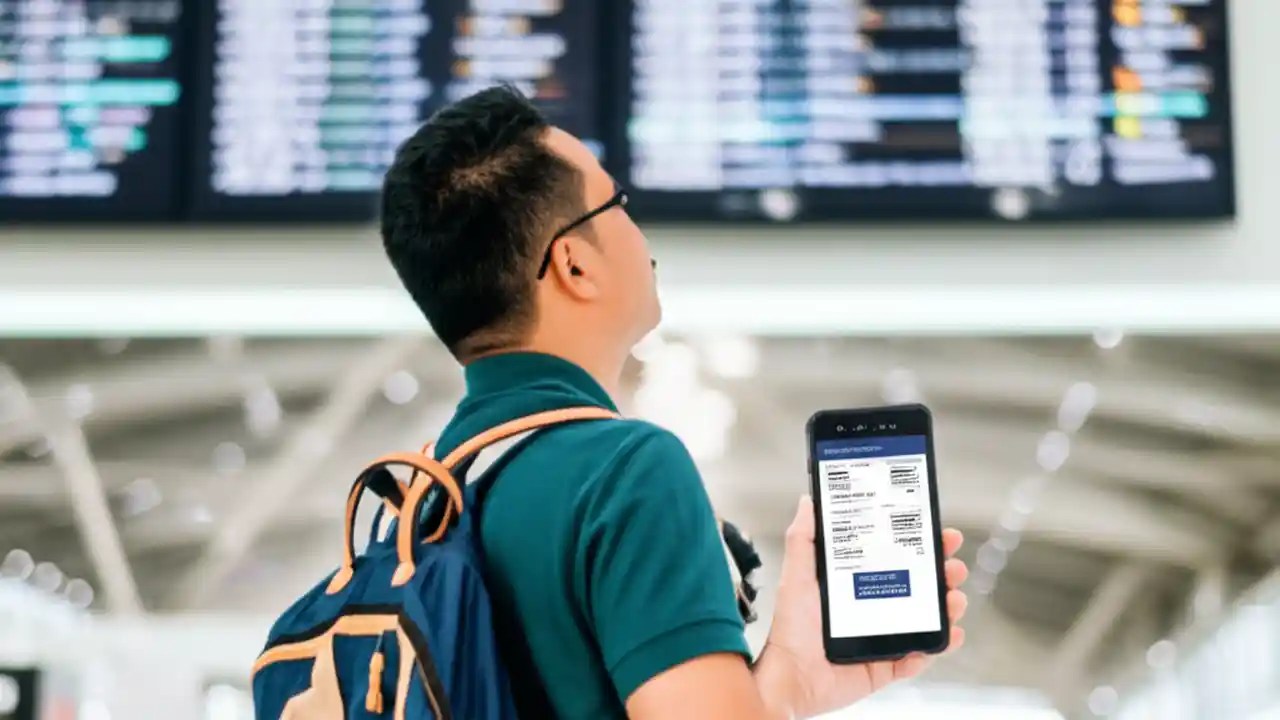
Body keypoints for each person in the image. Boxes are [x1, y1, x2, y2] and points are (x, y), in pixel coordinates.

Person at [380, 86, 969, 720]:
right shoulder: (624, 472)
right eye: (618, 204)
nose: (639, 229)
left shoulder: (416, 512)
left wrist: (792, 683)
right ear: (575, 266)